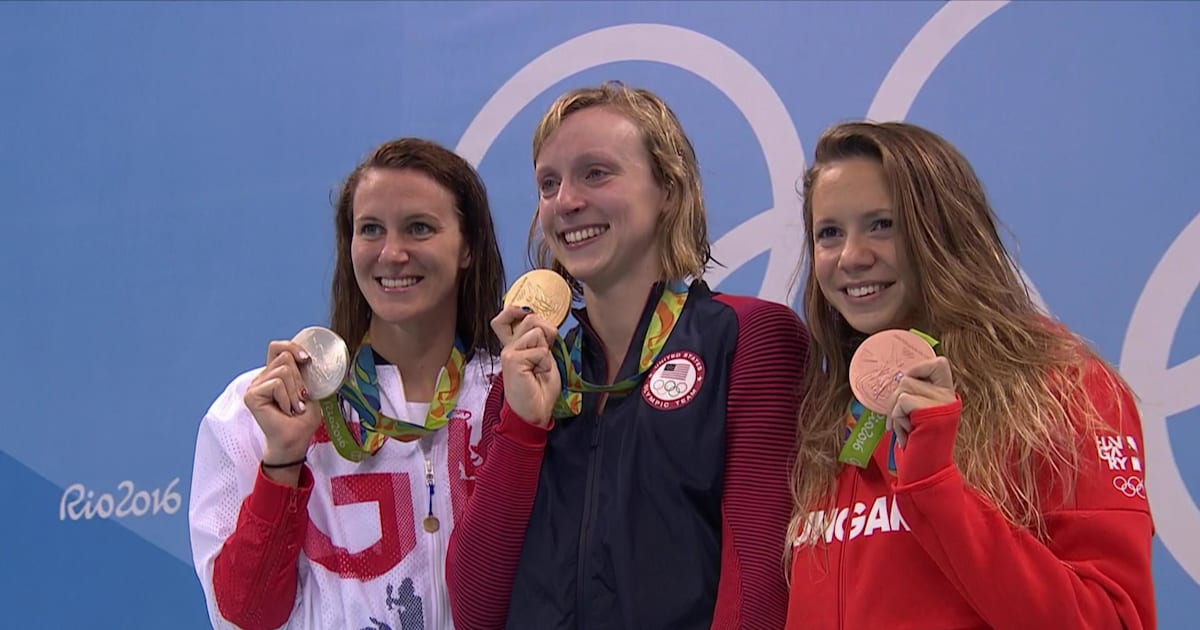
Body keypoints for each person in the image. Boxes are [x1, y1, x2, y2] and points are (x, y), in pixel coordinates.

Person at [445, 81, 809, 629]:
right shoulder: (533, 370)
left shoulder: (749, 338)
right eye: (549, 183)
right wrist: (522, 426)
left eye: (596, 172)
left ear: (669, 187)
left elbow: (762, 584)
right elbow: (475, 609)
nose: (565, 201)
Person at [784, 121, 1155, 628]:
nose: (851, 257)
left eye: (882, 224)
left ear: (945, 231)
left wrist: (937, 487)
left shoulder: (1063, 387)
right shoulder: (825, 413)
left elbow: (1112, 620)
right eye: (830, 233)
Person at [189, 137, 506, 629]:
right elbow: (245, 617)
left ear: (467, 247)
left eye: (419, 228)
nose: (391, 253)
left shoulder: (511, 396)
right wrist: (281, 463)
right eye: (371, 229)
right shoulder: (266, 409)